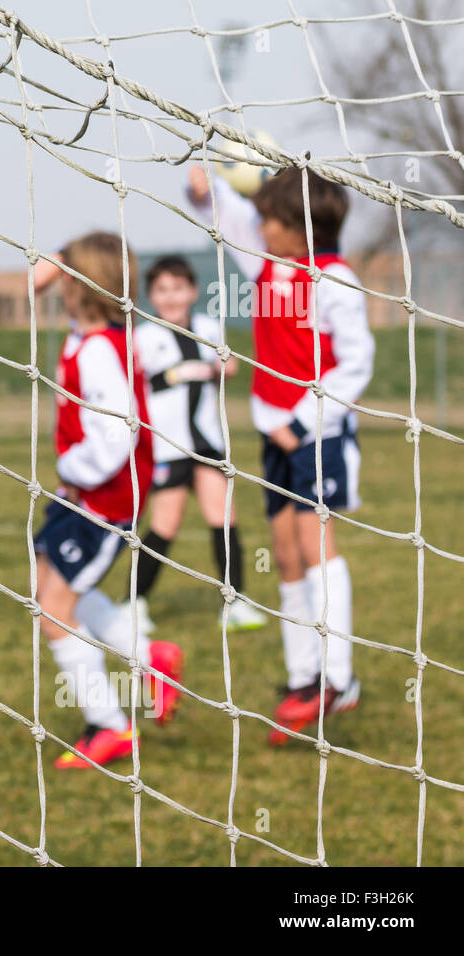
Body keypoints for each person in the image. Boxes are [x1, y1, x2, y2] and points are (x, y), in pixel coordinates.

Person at [188, 163, 373, 744]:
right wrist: (205, 189)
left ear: (302, 228)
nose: (261, 226)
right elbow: (230, 217)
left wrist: (303, 420)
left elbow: (355, 363)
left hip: (318, 434)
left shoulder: (334, 280)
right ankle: (304, 676)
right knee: (286, 552)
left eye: (272, 219)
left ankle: (338, 678)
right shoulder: (266, 265)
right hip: (277, 437)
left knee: (317, 545)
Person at [32, 232, 184, 769]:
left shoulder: (100, 349)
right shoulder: (97, 333)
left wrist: (73, 467)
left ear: (81, 285)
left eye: (66, 275)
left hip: (102, 499)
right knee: (46, 585)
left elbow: (117, 435)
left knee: (54, 612)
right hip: (79, 495)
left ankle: (111, 726)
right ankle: (150, 660)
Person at [123, 255, 267, 635]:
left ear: (191, 291)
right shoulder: (144, 336)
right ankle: (132, 604)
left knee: (224, 519)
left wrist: (220, 366)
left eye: (177, 288)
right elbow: (139, 385)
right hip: (168, 446)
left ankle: (234, 602)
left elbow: (230, 365)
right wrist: (177, 374)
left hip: (207, 443)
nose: (170, 297)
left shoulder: (206, 327)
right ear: (152, 295)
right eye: (161, 290)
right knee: (164, 525)